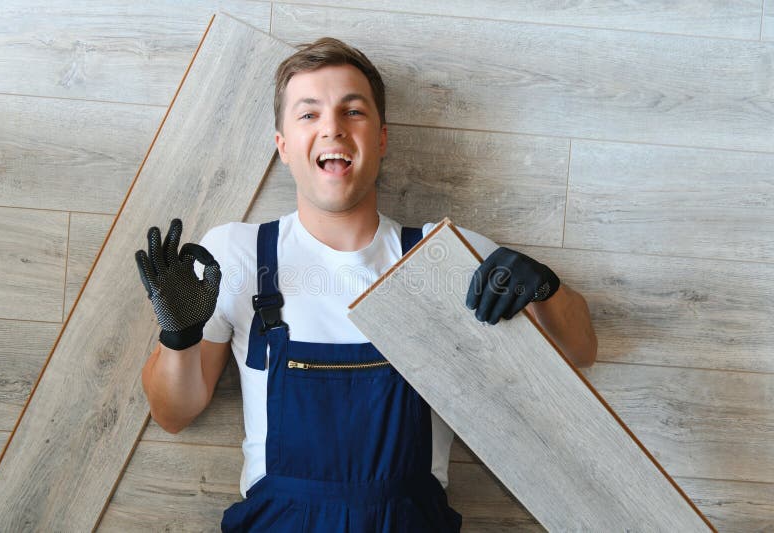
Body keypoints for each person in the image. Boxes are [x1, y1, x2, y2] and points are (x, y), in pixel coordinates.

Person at [135, 37, 597, 532]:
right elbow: (173, 414)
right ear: (283, 145)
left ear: (380, 137)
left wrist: (546, 289)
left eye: (352, 111)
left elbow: (581, 350)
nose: (332, 127)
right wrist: (178, 338)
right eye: (308, 114)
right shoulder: (237, 255)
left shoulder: (443, 257)